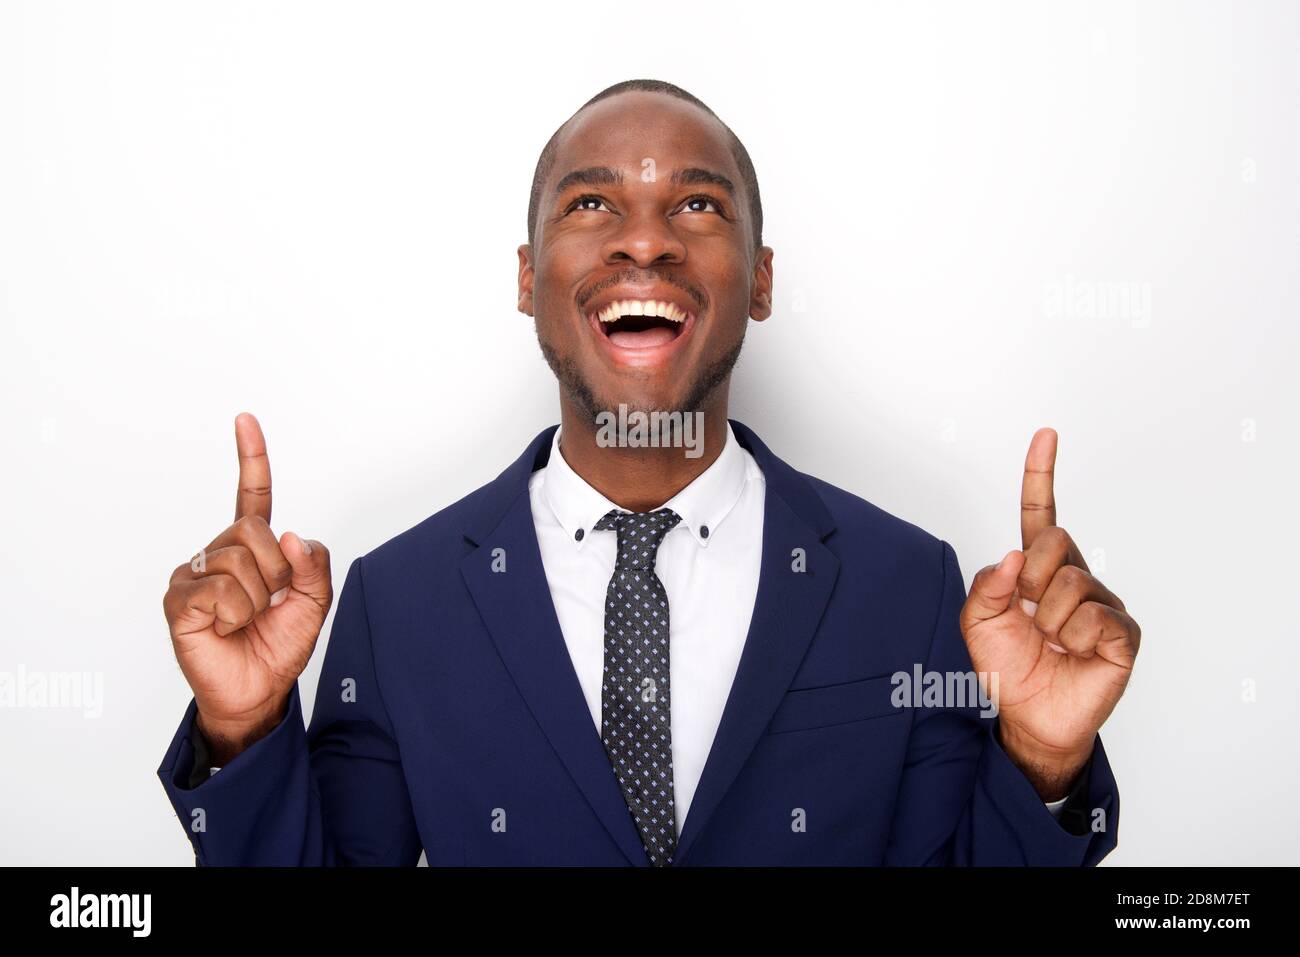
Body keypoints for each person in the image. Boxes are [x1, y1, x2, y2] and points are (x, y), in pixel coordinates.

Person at [158, 79, 1140, 866]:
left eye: (697, 205)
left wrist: (1042, 761)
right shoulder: (398, 599)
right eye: (592, 203)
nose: (643, 239)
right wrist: (241, 730)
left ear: (758, 281)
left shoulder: (906, 583)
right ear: (525, 277)